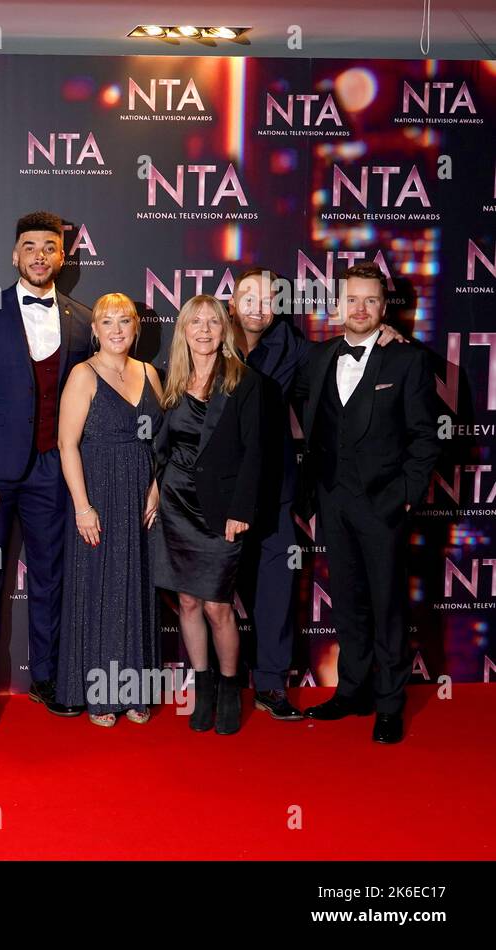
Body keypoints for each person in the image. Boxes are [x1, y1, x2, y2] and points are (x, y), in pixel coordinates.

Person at [231, 267, 405, 720]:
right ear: (232, 302)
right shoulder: (206, 334)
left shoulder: (296, 349)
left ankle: (270, 686)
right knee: (208, 594)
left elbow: (351, 354)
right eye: (248, 296)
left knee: (274, 590)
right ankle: (221, 686)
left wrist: (383, 332)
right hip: (216, 490)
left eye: (269, 297)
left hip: (275, 489)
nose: (258, 305)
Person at [293, 263, 443, 744]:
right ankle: (353, 691)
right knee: (349, 603)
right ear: (338, 306)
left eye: (370, 301)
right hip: (332, 499)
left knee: (387, 605)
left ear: (384, 308)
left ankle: (389, 704)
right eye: (352, 300)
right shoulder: (317, 358)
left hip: (382, 505)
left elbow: (425, 438)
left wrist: (402, 498)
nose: (360, 310)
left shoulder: (408, 360)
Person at [0, 211, 93, 724]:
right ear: (15, 255)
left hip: (54, 472)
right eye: (30, 246)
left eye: (50, 247)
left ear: (64, 256)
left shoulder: (83, 320)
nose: (40, 255)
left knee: (50, 578)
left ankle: (47, 677)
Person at [149, 294, 262, 735]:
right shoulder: (171, 380)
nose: (203, 330)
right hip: (176, 503)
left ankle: (231, 686)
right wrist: (154, 492)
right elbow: (163, 446)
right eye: (194, 322)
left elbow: (256, 453)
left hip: (221, 511)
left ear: (224, 329)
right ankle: (203, 686)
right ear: (184, 331)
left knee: (217, 606)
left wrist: (241, 510)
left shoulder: (243, 381)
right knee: (188, 601)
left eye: (212, 322)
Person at [57, 292, 162, 726]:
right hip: (98, 491)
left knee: (138, 588)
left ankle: (137, 691)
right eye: (107, 322)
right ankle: (100, 696)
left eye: (125, 321)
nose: (117, 330)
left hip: (142, 492)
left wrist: (156, 486)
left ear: (136, 328)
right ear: (95, 330)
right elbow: (66, 445)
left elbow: (162, 439)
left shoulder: (150, 372)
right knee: (101, 589)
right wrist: (83, 507)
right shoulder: (83, 374)